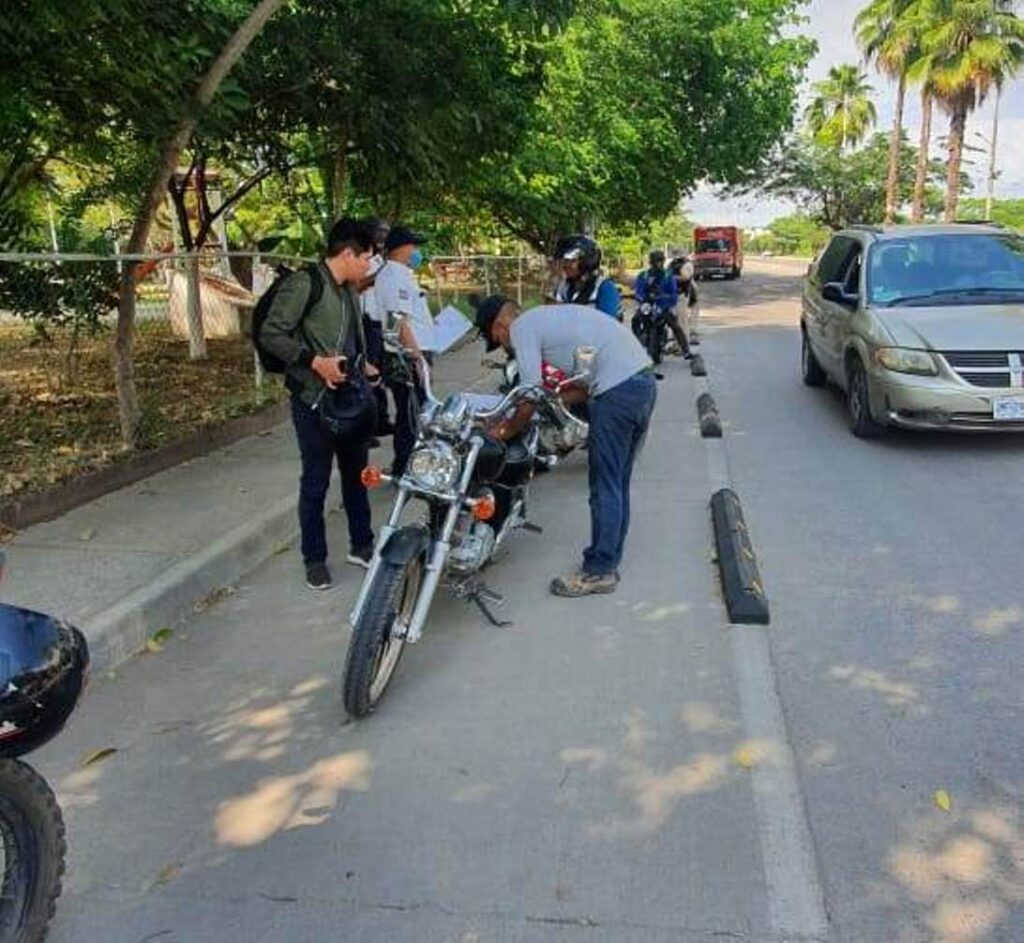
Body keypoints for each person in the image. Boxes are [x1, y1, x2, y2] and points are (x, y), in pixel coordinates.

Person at [474, 296, 657, 597]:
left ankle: (599, 572)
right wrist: (551, 400)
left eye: (498, 340)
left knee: (604, 488)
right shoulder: (547, 318)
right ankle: (609, 559)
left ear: (500, 325)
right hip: (642, 384)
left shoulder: (522, 328)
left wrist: (502, 431)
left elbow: (529, 392)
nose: (505, 346)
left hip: (618, 393)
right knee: (616, 484)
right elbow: (578, 391)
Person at [259, 218, 379, 590]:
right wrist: (313, 362)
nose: (368, 266)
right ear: (347, 253)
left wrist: (363, 364)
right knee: (315, 482)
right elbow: (271, 333)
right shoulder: (304, 285)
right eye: (366, 258)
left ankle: (362, 545)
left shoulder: (346, 290)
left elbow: (346, 339)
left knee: (357, 476)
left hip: (348, 399)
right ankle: (315, 559)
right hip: (313, 403)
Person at [374, 226, 437, 477]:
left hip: (411, 352)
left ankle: (410, 462)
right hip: (406, 356)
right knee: (411, 412)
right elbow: (398, 321)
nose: (417, 252)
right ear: (400, 247)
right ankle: (406, 465)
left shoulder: (401, 274)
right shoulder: (393, 276)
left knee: (415, 409)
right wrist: (417, 357)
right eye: (414, 246)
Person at [634, 249, 690, 358]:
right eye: (656, 261)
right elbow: (638, 291)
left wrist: (666, 298)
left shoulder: (667, 276)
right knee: (635, 320)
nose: (659, 263)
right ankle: (637, 344)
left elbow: (673, 293)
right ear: (651, 262)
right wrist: (641, 299)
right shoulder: (643, 276)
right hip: (648, 306)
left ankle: (686, 350)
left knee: (675, 325)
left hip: (662, 306)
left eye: (660, 261)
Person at [552, 234, 622, 319]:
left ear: (586, 262)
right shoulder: (564, 287)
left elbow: (608, 325)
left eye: (571, 261)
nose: (566, 265)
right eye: (564, 261)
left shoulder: (604, 288)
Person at [668, 253, 700, 344]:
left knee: (682, 319)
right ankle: (679, 341)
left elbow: (685, 277)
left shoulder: (686, 264)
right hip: (675, 294)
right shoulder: (673, 264)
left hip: (683, 293)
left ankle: (684, 342)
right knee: (677, 318)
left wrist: (670, 278)